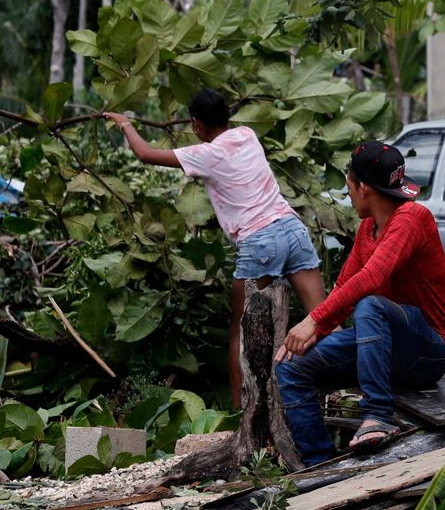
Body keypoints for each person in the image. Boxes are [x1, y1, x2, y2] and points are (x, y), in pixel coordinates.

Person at [103, 89, 327, 407]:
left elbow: (145, 154)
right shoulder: (247, 135)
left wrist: (125, 124)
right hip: (293, 230)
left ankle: (238, 415)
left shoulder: (205, 155)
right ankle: (346, 394)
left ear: (196, 124)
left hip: (259, 240)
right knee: (324, 318)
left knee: (240, 331)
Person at [274, 140, 445, 465]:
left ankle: (377, 415)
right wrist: (317, 331)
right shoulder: (367, 229)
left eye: (349, 188)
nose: (349, 197)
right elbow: (345, 286)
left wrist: (314, 321)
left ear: (363, 188)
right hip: (387, 347)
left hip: (430, 352)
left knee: (369, 305)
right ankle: (319, 463)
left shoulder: (412, 219)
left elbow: (371, 279)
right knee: (291, 365)